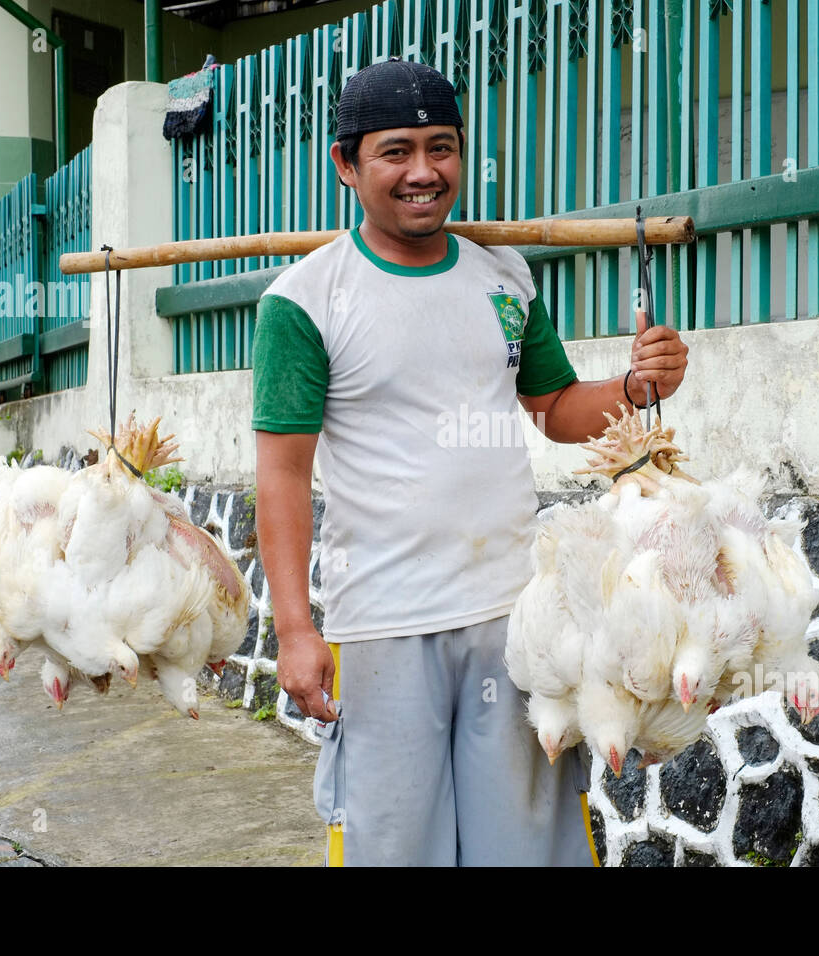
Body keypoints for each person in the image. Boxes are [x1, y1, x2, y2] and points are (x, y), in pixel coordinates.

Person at [252, 58, 689, 866]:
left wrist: (635, 384)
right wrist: (293, 629)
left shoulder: (504, 276)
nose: (424, 172)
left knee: (524, 846)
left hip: (516, 624)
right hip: (383, 627)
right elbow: (282, 473)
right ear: (347, 165)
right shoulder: (304, 301)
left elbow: (555, 410)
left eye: (442, 147)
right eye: (396, 152)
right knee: (395, 849)